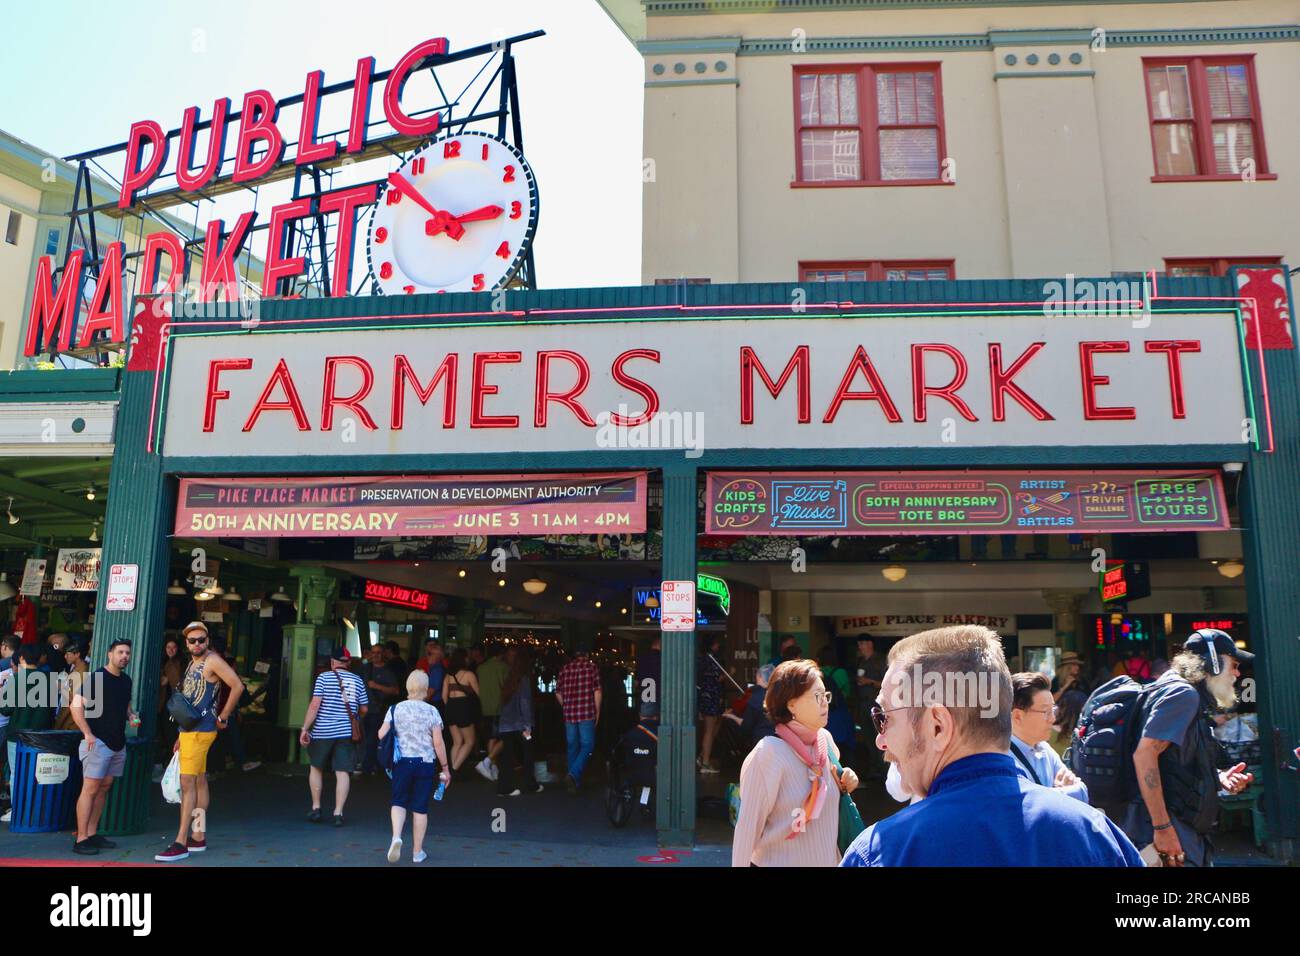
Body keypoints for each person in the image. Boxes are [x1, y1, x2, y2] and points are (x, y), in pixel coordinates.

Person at [840, 625, 1143, 867]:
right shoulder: (1097, 835)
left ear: (938, 726)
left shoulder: (880, 853)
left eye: (882, 717)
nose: (880, 739)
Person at [1118, 629, 1255, 867]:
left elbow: (1172, 762)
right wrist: (1163, 828)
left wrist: (1218, 778)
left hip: (1176, 828)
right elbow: (1145, 754)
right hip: (1173, 831)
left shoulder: (1178, 690)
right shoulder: (1183, 694)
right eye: (1233, 664)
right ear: (1213, 662)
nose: (1237, 672)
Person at [731, 659, 859, 867]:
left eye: (826, 695)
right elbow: (746, 831)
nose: (825, 702)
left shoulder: (825, 741)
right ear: (791, 704)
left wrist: (846, 781)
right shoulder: (768, 753)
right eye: (817, 696)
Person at [155, 622, 243, 862]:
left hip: (199, 731)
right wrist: (180, 736)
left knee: (187, 784)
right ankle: (198, 834)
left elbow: (237, 685)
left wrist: (224, 716)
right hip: (192, 730)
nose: (197, 644)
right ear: (186, 642)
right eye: (192, 640)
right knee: (200, 782)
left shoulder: (212, 660)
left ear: (208, 640)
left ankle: (181, 841)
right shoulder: (195, 662)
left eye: (201, 640)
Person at [69, 638, 138, 855]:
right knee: (90, 789)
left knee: (105, 786)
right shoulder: (97, 677)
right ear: (110, 654)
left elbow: (125, 707)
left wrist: (131, 716)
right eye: (120, 652)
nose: (124, 656)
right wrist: (87, 733)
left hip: (118, 742)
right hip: (98, 741)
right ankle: (80, 839)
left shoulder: (126, 680)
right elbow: (75, 705)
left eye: (127, 652)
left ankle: (91, 833)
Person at [379, 669, 450, 864]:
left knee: (398, 801)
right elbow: (438, 743)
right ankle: (417, 853)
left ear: (408, 687)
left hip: (401, 763)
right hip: (425, 764)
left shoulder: (395, 709)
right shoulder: (432, 711)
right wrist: (445, 767)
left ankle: (396, 837)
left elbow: (380, 734)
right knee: (420, 808)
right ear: (427, 690)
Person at [300, 647, 368, 826]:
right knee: (342, 771)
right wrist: (354, 717)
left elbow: (315, 705)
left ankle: (316, 808)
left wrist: (305, 728)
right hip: (346, 732)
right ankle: (338, 812)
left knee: (316, 768)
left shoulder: (324, 678)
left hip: (323, 731)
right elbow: (364, 708)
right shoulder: (357, 680)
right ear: (349, 662)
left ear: (332, 662)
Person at [1009, 672, 1088, 804]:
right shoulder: (1002, 757)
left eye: (1053, 709)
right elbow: (1024, 804)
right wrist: (1062, 792)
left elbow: (1082, 791)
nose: (1053, 719)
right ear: (1018, 716)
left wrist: (1050, 795)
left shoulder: (1044, 748)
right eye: (1046, 712)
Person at [554, 643, 601, 795]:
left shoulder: (565, 669)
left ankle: (575, 783)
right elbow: (597, 691)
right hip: (586, 712)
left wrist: (566, 706)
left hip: (569, 714)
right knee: (588, 745)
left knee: (572, 746)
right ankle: (573, 775)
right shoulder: (591, 668)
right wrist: (597, 710)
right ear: (587, 655)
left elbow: (558, 693)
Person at [496, 650, 543, 796]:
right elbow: (525, 703)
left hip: (505, 722)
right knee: (528, 754)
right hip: (520, 724)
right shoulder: (524, 680)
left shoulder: (508, 678)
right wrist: (528, 725)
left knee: (507, 756)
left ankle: (504, 787)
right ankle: (531, 784)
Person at [362, 644, 401, 776]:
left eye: (378, 652)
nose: (376, 655)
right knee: (364, 739)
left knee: (373, 739)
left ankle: (369, 767)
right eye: (373, 652)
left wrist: (377, 686)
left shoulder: (388, 671)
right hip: (363, 710)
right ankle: (368, 765)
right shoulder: (366, 668)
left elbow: (395, 690)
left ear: (383, 654)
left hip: (377, 710)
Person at [440, 649, 480, 775]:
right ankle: (454, 769)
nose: (468, 659)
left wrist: (451, 707)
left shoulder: (448, 675)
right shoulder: (469, 675)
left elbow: (443, 696)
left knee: (457, 742)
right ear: (463, 659)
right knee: (469, 741)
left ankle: (450, 772)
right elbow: (479, 694)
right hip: (464, 707)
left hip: (451, 707)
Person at [474, 645, 508, 781]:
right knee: (507, 737)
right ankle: (487, 762)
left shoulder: (480, 668)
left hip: (485, 707)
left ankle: (493, 768)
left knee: (492, 738)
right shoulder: (503, 667)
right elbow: (506, 686)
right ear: (501, 655)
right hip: (500, 707)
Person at [818, 645, 855, 767]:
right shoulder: (841, 673)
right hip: (840, 713)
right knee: (845, 746)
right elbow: (848, 694)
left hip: (824, 715)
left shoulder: (818, 673)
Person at [724, 662, 776, 747]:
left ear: (760, 677)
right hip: (778, 739)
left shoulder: (755, 696)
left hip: (761, 741)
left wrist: (732, 717)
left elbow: (746, 725)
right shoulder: (779, 695)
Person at [697, 635, 724, 774]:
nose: (718, 646)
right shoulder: (712, 660)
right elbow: (716, 678)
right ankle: (705, 763)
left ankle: (703, 756)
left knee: (714, 727)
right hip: (711, 697)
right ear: (713, 645)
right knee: (709, 729)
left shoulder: (702, 660)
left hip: (708, 697)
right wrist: (729, 673)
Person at [54, 640, 90, 730]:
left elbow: (74, 698)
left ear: (77, 654)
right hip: (65, 717)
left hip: (70, 721)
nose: (65, 656)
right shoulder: (75, 669)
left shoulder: (82, 672)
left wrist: (60, 686)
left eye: (67, 654)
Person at [416, 639, 446, 715]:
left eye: (430, 654)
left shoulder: (437, 670)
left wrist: (420, 704)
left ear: (438, 656)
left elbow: (431, 691)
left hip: (435, 703)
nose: (427, 656)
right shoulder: (434, 668)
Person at [635, 636, 661, 708]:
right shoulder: (663, 658)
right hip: (659, 698)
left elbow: (636, 683)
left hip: (645, 699)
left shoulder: (642, 658)